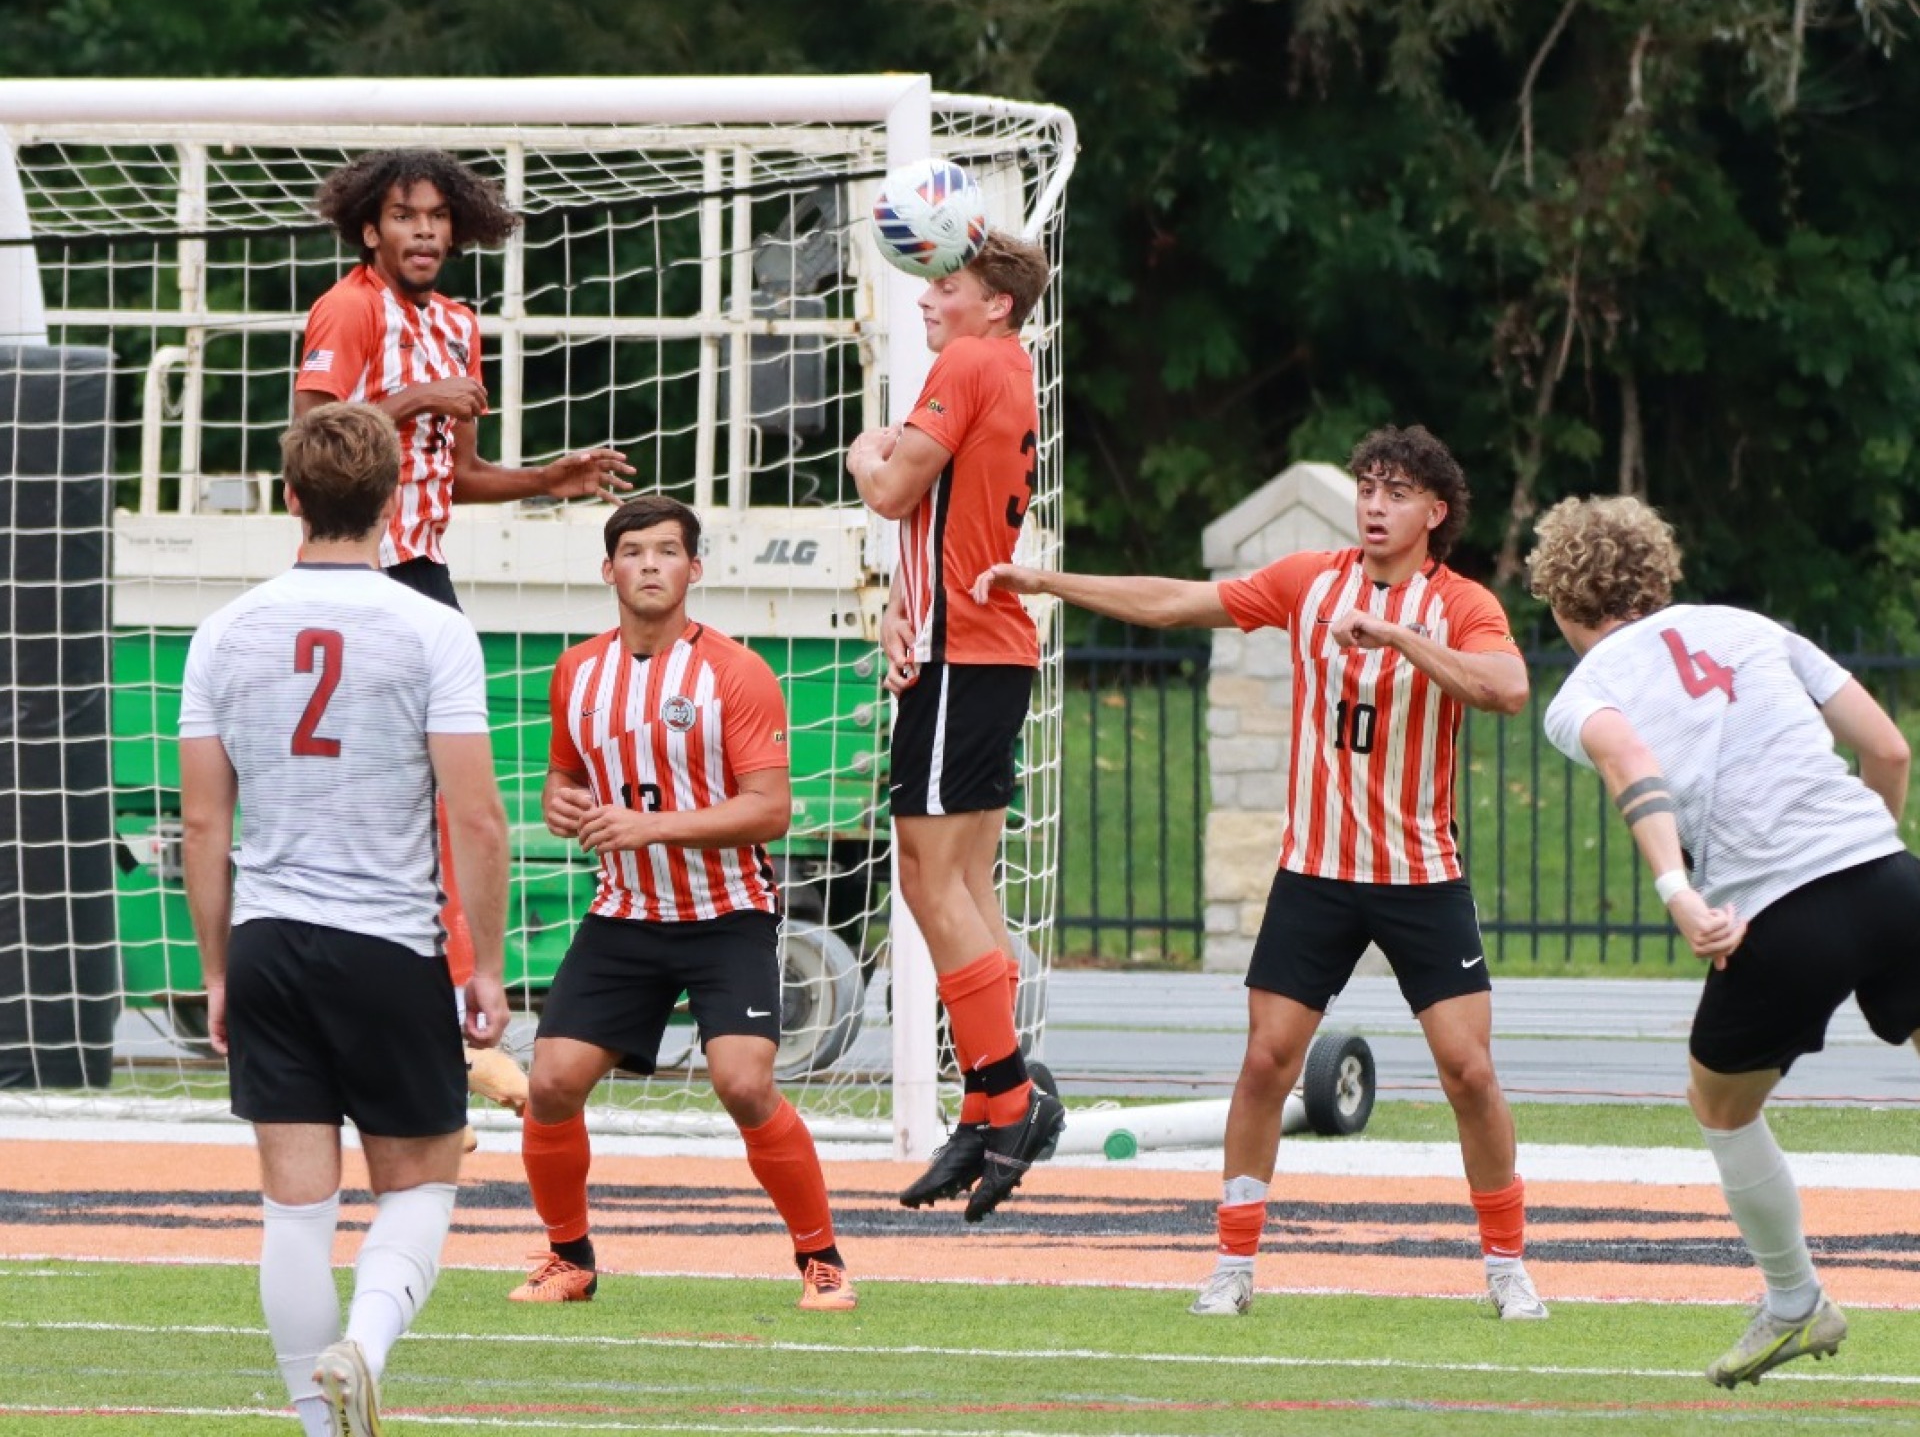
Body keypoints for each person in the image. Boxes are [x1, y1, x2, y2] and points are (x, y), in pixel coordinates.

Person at [976, 425, 1549, 1319]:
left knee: (1468, 1072)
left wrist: (1396, 636)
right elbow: (1175, 602)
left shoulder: (1462, 604)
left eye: (1395, 492)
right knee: (1266, 1063)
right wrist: (1049, 582)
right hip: (1315, 872)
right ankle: (1233, 1265)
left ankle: (1507, 1265)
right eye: (1367, 486)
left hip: (1419, 874)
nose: (1373, 503)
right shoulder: (1309, 580)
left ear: (1435, 514)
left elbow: (1507, 689)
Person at [1528, 494, 1917, 1385]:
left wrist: (1677, 891)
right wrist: (1863, 862)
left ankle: (1794, 1301)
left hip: (1779, 918)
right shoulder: (1750, 625)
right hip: (1895, 882)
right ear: (1658, 575)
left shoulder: (1583, 693)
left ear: (1560, 600)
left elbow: (1635, 765)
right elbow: (1889, 751)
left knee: (1722, 1105)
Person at [179, 403, 513, 1437]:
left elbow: (202, 820)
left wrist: (219, 969)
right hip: (385, 941)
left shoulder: (224, 629)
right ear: (395, 500)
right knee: (422, 1182)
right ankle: (361, 1350)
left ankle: (321, 1427)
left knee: (295, 1208)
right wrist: (489, 965)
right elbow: (477, 817)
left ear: (291, 498)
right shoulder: (432, 628)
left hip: (270, 941)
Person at [294, 147, 634, 1131]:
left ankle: (447, 1026)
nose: (426, 232)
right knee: (377, 811)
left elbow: (455, 473)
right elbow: (311, 450)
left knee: (452, 804)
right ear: (371, 230)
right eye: (406, 216)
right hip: (353, 576)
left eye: (440, 217)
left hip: (425, 577)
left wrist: (543, 480)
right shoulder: (349, 310)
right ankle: (422, 1037)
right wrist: (410, 403)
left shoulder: (456, 324)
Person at [508, 495, 857, 1312]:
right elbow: (564, 776)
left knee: (742, 1084)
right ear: (610, 570)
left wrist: (651, 827)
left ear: (695, 570)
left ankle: (822, 1261)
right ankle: (570, 1259)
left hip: (727, 912)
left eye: (669, 551)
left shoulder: (736, 674)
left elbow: (770, 809)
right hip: (625, 914)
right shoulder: (576, 671)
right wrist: (559, 801)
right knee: (551, 1083)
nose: (652, 564)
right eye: (635, 552)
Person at [845, 229, 1067, 1221]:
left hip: (963, 653)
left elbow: (894, 490)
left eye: (949, 283)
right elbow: (944, 519)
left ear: (998, 304)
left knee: (929, 879)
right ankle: (984, 1106)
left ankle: (1011, 1097)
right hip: (979, 648)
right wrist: (901, 598)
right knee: (965, 881)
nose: (930, 298)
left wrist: (864, 450)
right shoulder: (1006, 365)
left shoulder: (970, 359)